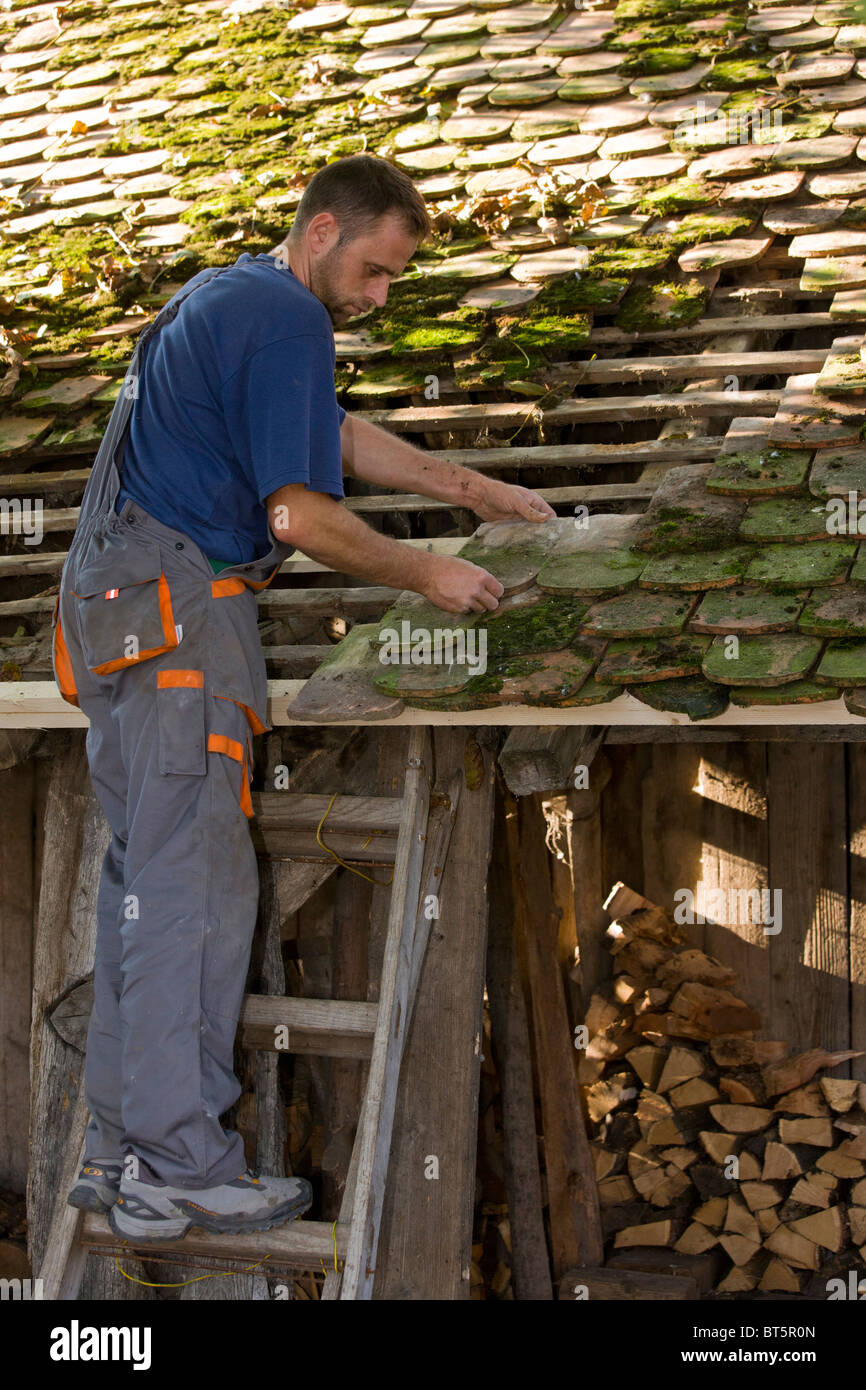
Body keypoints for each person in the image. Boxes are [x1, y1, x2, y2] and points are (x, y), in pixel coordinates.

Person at [53, 154, 555, 1243]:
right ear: (321, 231)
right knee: (196, 894)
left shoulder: (217, 298)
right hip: (184, 612)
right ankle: (181, 1166)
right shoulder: (285, 315)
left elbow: (327, 440)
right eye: (375, 272)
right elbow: (297, 517)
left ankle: (118, 1151)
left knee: (147, 884)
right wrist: (432, 573)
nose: (378, 298)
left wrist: (474, 489)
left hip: (115, 610)